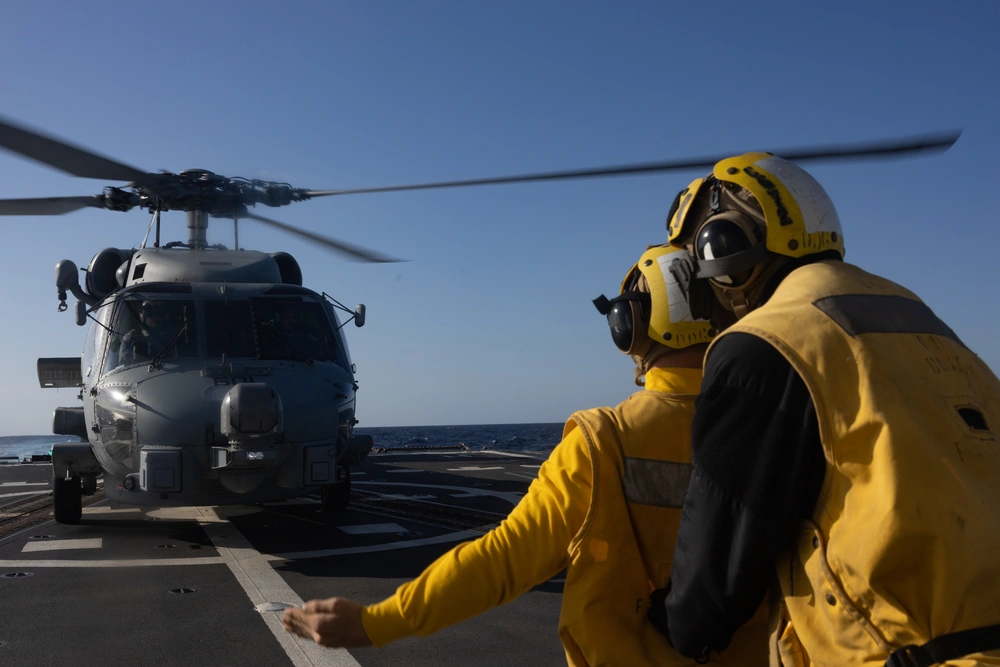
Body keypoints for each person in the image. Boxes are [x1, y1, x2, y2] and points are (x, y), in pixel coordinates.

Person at [282, 245, 770, 666]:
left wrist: (377, 622)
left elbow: (503, 560)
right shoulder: (778, 430)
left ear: (630, 326)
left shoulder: (605, 443)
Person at [652, 152, 1000, 666]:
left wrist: (671, 618)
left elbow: (716, 579)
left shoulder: (763, 343)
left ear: (724, 250)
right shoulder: (920, 316)